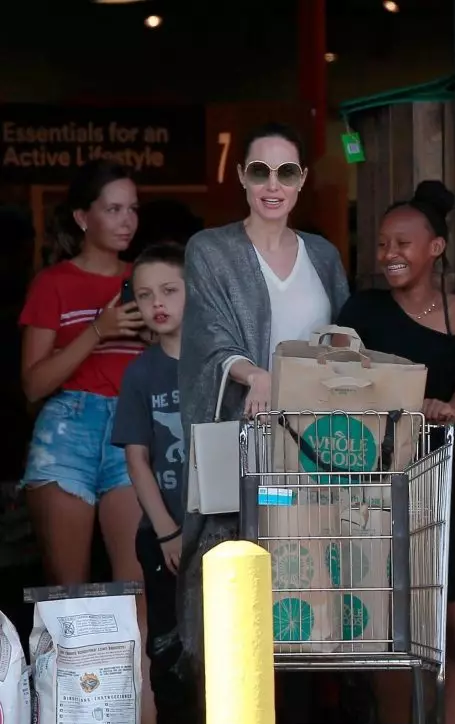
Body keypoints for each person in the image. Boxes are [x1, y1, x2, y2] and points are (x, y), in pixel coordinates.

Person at [337, 180, 455, 724]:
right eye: (382, 244)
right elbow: (342, 376)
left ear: (435, 247)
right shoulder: (362, 308)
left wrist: (448, 411)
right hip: (382, 478)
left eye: (402, 243)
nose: (389, 254)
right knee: (390, 632)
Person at [178, 121, 349, 680]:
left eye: (286, 172)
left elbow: (345, 341)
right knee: (241, 592)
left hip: (318, 450)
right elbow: (207, 339)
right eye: (260, 172)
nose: (272, 184)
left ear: (302, 181)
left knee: (312, 594)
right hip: (246, 445)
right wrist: (255, 375)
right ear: (242, 179)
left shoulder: (322, 255)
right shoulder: (211, 250)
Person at [19, 159, 145, 586]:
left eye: (132, 209)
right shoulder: (53, 283)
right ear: (82, 218)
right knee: (68, 594)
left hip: (133, 429)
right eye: (113, 209)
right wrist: (98, 330)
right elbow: (34, 384)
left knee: (138, 585)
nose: (126, 221)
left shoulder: (149, 281)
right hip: (66, 429)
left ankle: (137, 658)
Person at [112, 242, 198, 724]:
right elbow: (137, 459)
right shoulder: (141, 373)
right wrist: (165, 530)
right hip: (164, 533)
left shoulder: (222, 361)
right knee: (168, 649)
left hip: (221, 528)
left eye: (169, 290)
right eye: (144, 295)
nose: (157, 304)